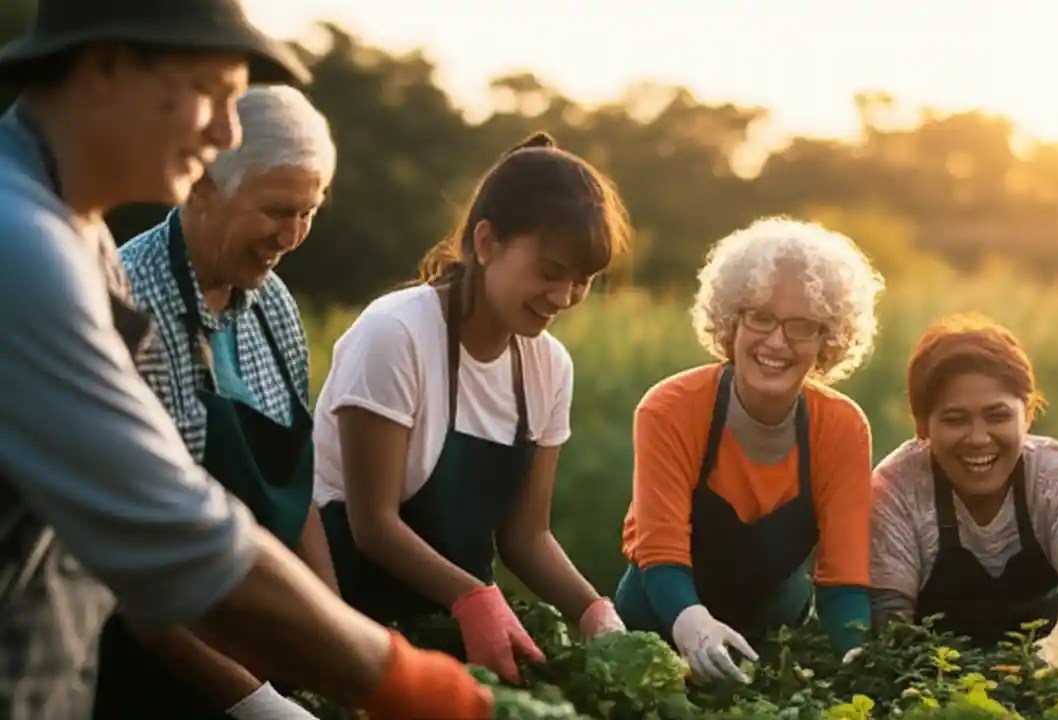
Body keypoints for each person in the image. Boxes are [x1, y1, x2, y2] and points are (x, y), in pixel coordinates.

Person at [0, 1, 491, 718]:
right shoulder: (23, 249)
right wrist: (392, 677)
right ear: (104, 67)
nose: (226, 130)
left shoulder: (75, 234)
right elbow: (167, 529)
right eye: (209, 89)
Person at [313, 132, 632, 684]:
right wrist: (471, 597)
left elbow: (526, 537)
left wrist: (596, 615)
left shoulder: (548, 367)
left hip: (452, 625)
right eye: (550, 271)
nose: (563, 297)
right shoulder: (396, 335)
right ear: (486, 243)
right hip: (343, 613)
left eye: (582, 281)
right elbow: (373, 525)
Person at [91, 85, 339, 719]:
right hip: (150, 671)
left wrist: (335, 645)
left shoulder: (275, 305)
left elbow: (296, 495)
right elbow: (122, 559)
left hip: (261, 646)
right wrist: (253, 703)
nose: (293, 235)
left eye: (309, 213)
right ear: (201, 187)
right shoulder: (122, 309)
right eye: (278, 210)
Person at [614, 216, 885, 683]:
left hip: (774, 644)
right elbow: (659, 552)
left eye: (802, 326)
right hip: (659, 626)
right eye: (760, 317)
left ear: (828, 340)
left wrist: (857, 658)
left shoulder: (842, 427)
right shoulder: (669, 410)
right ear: (731, 321)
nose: (776, 342)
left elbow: (843, 577)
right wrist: (692, 625)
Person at [868, 315, 1058, 679]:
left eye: (997, 416)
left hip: (1055, 676)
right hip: (934, 674)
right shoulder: (895, 489)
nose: (979, 438)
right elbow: (891, 611)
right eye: (955, 419)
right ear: (922, 425)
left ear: (1028, 413)